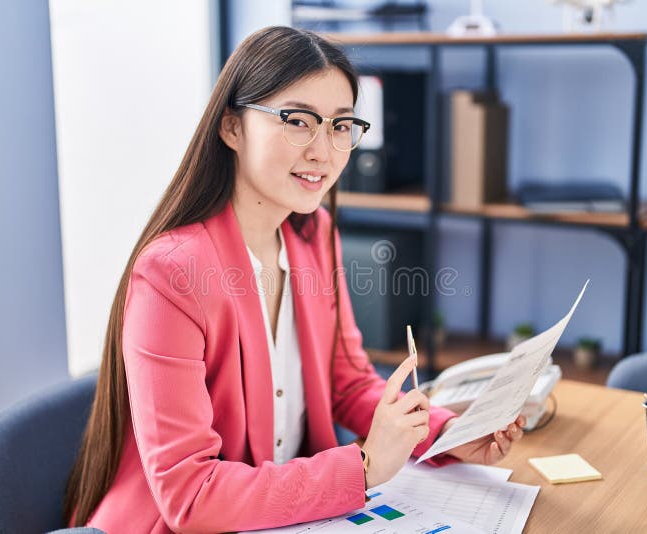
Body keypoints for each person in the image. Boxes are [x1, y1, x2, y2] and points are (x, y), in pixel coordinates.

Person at [64, 26, 525, 533]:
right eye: (298, 121)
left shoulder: (314, 236)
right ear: (231, 128)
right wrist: (365, 467)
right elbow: (190, 497)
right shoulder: (171, 274)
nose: (324, 152)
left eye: (341, 126)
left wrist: (443, 434)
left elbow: (347, 382)